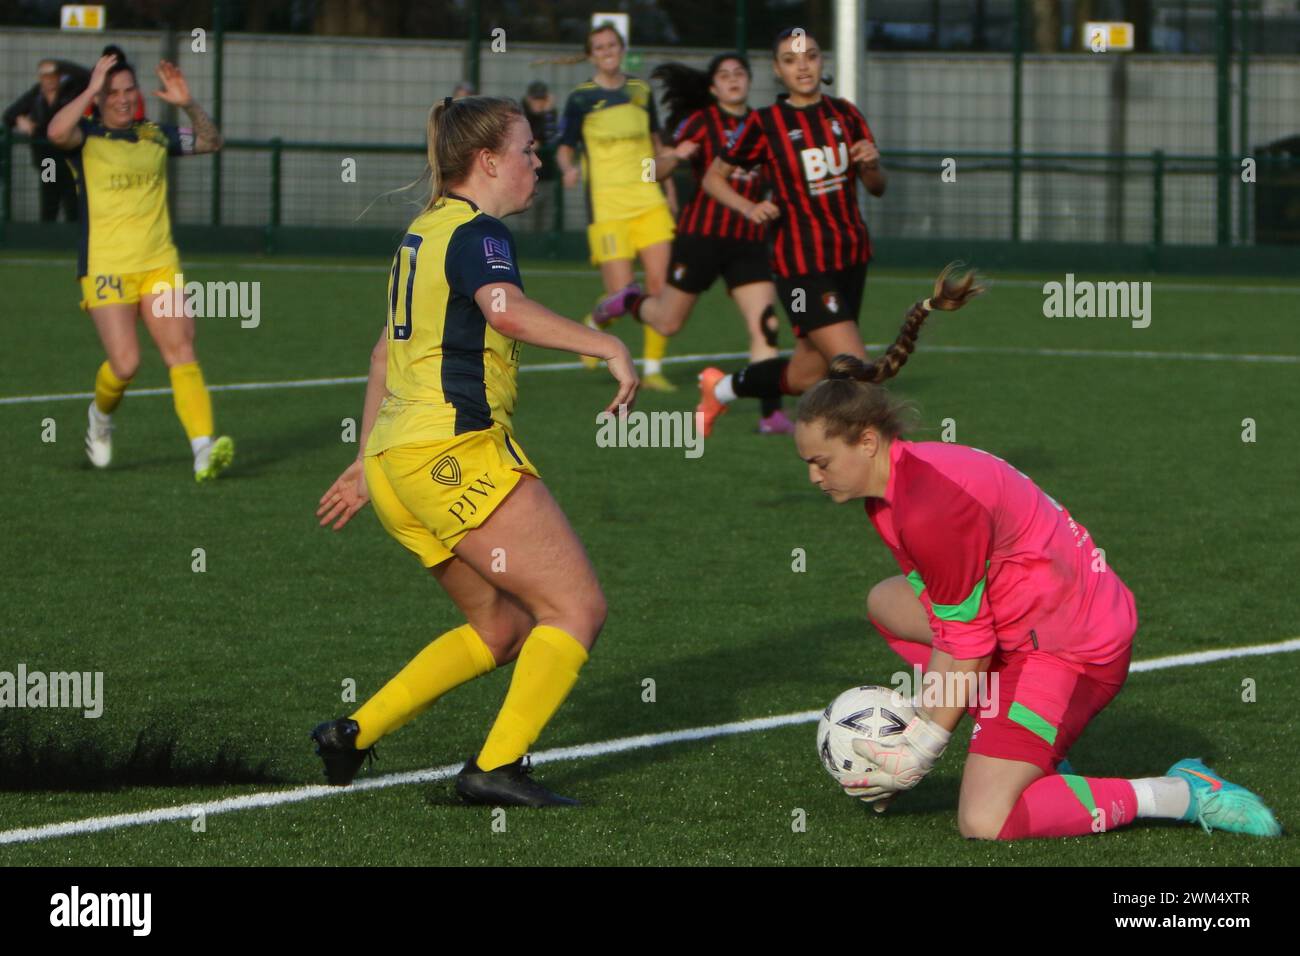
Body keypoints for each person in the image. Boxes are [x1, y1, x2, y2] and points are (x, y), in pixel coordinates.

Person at [793, 273, 1281, 840]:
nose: (813, 476)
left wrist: (918, 747)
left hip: (1073, 651)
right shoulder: (894, 488)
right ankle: (1028, 746)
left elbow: (967, 645)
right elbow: (953, 620)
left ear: (868, 441)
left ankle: (1182, 792)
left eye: (822, 461)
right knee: (886, 602)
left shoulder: (928, 506)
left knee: (985, 819)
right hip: (1034, 623)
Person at [312, 95, 638, 808]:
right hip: (451, 455)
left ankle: (351, 734)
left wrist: (366, 459)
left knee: (500, 627)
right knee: (576, 608)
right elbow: (503, 309)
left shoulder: (421, 232)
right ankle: (496, 768)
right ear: (487, 161)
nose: (537, 164)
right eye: (526, 151)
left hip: (398, 466)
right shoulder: (476, 230)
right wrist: (606, 342)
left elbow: (379, 357)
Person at [46, 50, 233, 481]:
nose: (123, 99)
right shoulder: (85, 137)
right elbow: (56, 131)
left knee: (181, 351)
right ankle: (100, 415)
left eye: (129, 90)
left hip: (158, 264)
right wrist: (90, 89)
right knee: (126, 364)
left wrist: (187, 103)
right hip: (106, 267)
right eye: (112, 92)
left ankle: (204, 450)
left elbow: (211, 142)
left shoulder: (154, 134)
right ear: (98, 98)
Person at [589, 53, 796, 434]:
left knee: (766, 324)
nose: (733, 80)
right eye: (724, 75)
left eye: (740, 74)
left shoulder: (765, 124)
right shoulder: (701, 122)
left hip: (748, 241)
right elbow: (653, 170)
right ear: (713, 86)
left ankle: (771, 413)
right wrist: (674, 156)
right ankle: (629, 300)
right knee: (667, 323)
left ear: (749, 81)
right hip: (701, 238)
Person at [695, 27, 886, 437]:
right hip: (801, 268)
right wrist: (749, 206)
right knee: (856, 366)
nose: (803, 66)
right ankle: (881, 466)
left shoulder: (846, 114)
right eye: (791, 59)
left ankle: (721, 388)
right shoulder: (765, 123)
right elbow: (714, 177)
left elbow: (877, 186)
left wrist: (870, 164)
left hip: (851, 256)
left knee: (804, 375)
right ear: (778, 71)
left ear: (821, 61)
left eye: (811, 56)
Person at [556, 22, 684, 392]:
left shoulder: (640, 91)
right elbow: (565, 147)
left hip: (648, 200)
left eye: (613, 44)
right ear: (591, 54)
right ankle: (594, 326)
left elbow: (657, 147)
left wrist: (669, 188)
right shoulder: (581, 98)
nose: (607, 51)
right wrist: (567, 169)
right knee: (624, 295)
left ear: (622, 48)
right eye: (599, 47)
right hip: (608, 206)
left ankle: (654, 367)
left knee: (661, 289)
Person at [3, 58, 89, 222]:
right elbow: (9, 115)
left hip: (68, 155)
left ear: (59, 76)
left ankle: (73, 235)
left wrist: (62, 65)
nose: (49, 80)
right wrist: (20, 120)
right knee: (50, 195)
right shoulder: (36, 95)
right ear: (40, 78)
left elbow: (86, 77)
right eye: (45, 75)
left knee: (72, 196)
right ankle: (48, 236)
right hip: (47, 158)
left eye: (53, 75)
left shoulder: (69, 91)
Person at [520, 80, 559, 234]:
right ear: (529, 99)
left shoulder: (550, 114)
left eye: (542, 99)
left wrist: (548, 113)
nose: (539, 103)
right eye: (536, 99)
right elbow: (529, 140)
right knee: (529, 223)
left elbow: (551, 138)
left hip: (548, 175)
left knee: (547, 221)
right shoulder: (521, 114)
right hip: (526, 176)